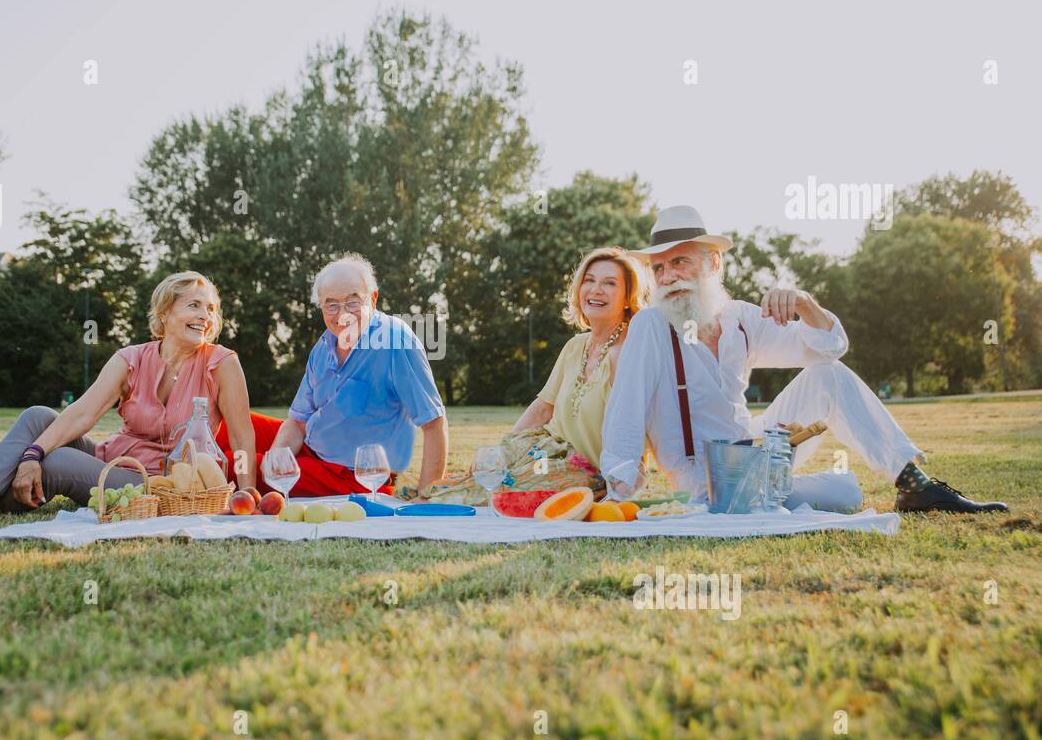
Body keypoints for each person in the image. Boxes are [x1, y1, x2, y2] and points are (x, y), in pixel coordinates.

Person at [599, 205, 1009, 514]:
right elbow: (626, 411)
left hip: (754, 452)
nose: (669, 277)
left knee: (827, 378)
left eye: (680, 262)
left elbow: (828, 347)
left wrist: (804, 302)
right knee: (844, 493)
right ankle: (772, 493)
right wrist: (617, 494)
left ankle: (913, 485)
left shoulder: (740, 318)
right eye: (659, 268)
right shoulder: (652, 325)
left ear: (712, 262)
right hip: (704, 483)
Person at [0, 271, 261, 523]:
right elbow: (82, 414)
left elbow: (242, 436)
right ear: (166, 313)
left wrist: (245, 493)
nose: (206, 317)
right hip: (112, 461)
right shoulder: (132, 358)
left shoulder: (221, 363)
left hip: (159, 482)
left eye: (211, 310)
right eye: (194, 306)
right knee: (38, 416)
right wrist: (32, 455)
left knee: (60, 460)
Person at [408, 246, 646, 505]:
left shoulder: (629, 353)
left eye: (609, 283)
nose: (596, 289)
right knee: (483, 477)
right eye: (589, 280)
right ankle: (431, 498)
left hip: (587, 474)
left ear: (627, 298)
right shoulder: (576, 346)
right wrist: (501, 449)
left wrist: (627, 482)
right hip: (547, 448)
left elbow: (640, 427)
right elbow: (543, 408)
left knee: (502, 494)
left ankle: (443, 503)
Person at [258, 254, 448, 498]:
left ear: (373, 299)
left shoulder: (395, 341)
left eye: (352, 301)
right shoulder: (325, 344)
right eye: (331, 304)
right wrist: (276, 457)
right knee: (231, 429)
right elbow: (297, 422)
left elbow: (434, 422)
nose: (343, 314)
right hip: (311, 446)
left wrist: (426, 496)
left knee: (236, 464)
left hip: (354, 475)